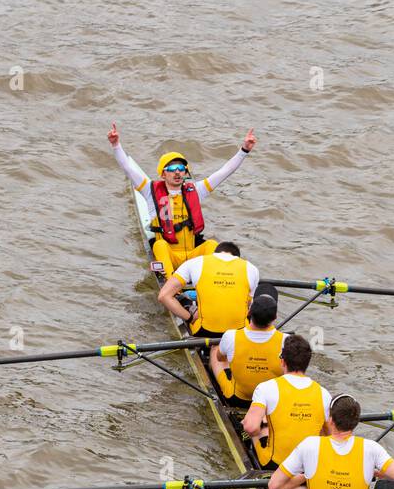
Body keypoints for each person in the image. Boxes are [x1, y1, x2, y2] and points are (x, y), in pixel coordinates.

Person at [107, 123, 256, 276]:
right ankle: (171, 284)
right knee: (159, 245)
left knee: (212, 245)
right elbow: (127, 167)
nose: (177, 172)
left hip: (192, 255)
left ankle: (210, 280)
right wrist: (115, 144)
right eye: (171, 169)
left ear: (186, 173)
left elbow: (225, 171)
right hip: (169, 256)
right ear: (163, 174)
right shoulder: (149, 191)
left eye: (181, 168)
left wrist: (244, 150)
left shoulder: (197, 190)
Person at [242, 335, 331, 467]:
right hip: (309, 466)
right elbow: (329, 436)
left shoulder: (266, 387)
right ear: (307, 364)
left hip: (275, 464)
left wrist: (257, 423)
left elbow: (251, 428)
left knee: (251, 424)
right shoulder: (324, 394)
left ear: (282, 362)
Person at [159, 242, 258, 337]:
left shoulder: (195, 262)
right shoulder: (251, 268)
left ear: (215, 253)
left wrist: (190, 318)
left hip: (204, 330)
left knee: (183, 299)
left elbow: (163, 296)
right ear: (237, 258)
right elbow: (248, 305)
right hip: (240, 331)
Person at [210, 291, 285, 408]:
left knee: (215, 350)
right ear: (275, 317)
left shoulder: (231, 336)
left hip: (238, 399)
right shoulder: (286, 340)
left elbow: (220, 358)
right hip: (271, 403)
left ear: (249, 312)